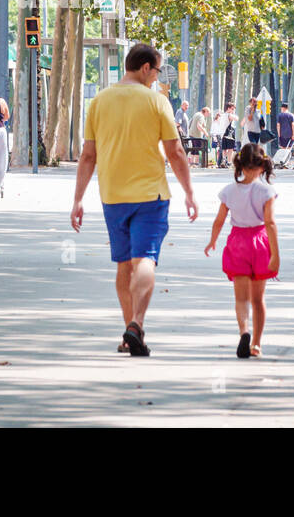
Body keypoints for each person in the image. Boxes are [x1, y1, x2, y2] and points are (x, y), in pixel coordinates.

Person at [71, 43, 198, 357]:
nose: (156, 77)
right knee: (145, 259)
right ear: (145, 68)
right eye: (156, 71)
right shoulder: (157, 102)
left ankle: (128, 329)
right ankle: (137, 324)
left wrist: (77, 200)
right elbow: (176, 152)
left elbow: (88, 155)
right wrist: (189, 192)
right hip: (150, 196)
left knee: (124, 264)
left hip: (112, 196)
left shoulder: (99, 101)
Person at [205, 144, 280, 358]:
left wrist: (212, 241)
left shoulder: (229, 191)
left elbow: (219, 220)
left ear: (240, 165)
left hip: (237, 242)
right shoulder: (267, 191)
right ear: (262, 166)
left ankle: (243, 331)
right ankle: (256, 343)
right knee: (258, 299)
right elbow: (270, 222)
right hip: (259, 242)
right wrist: (275, 253)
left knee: (240, 298)